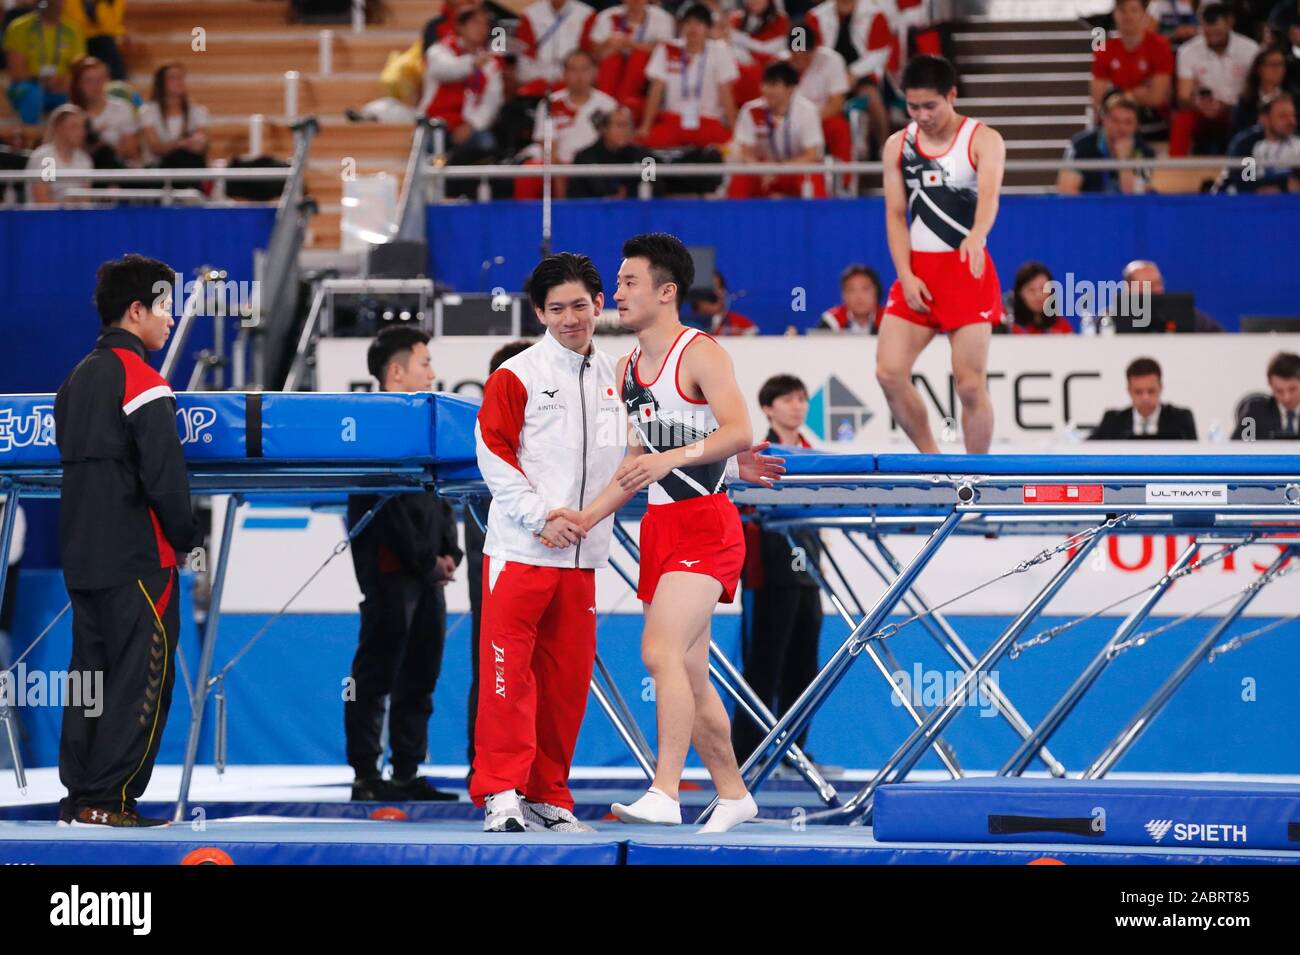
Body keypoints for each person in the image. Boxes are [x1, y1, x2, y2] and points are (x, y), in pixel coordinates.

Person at [559, 232, 783, 834]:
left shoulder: (700, 352)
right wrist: (586, 516)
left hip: (708, 528)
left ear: (666, 291)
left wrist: (681, 460)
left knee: (657, 653)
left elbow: (739, 429)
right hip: (661, 526)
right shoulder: (628, 367)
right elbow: (637, 464)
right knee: (687, 672)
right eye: (618, 282)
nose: (618, 292)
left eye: (630, 282)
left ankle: (666, 789)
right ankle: (734, 794)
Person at [469, 253, 626, 833]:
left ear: (598, 305)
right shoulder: (517, 376)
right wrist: (540, 518)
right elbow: (493, 453)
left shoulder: (620, 376)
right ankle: (502, 794)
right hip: (522, 554)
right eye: (556, 309)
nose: (569, 319)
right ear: (538, 312)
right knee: (509, 679)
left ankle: (547, 794)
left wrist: (731, 461)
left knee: (564, 684)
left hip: (583, 559)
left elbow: (665, 441)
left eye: (579, 306)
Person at [54, 254, 202, 827]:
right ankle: (109, 800)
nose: (169, 320)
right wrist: (188, 537)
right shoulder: (143, 382)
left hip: (83, 560)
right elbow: (166, 479)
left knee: (89, 678)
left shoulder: (73, 380)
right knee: (141, 680)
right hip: (140, 560)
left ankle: (78, 798)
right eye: (164, 308)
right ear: (136, 311)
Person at [345, 327, 462, 803]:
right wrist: (425, 560)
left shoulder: (427, 426)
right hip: (392, 575)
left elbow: (443, 498)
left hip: (428, 578)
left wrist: (449, 555)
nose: (433, 374)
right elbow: (384, 507)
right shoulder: (370, 428)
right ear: (396, 372)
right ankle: (366, 773)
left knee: (421, 676)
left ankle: (407, 769)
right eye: (424, 364)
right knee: (373, 678)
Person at [876, 55, 1005, 454]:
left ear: (952, 95)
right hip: (918, 272)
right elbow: (896, 215)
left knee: (969, 384)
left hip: (967, 269)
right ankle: (932, 462)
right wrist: (906, 273)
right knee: (889, 373)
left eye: (930, 105)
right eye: (913, 107)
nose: (922, 115)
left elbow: (989, 196)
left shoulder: (983, 139)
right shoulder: (899, 146)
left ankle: (976, 475)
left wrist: (977, 235)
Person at [731, 374, 823, 767]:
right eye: (787, 399)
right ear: (768, 408)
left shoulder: (816, 452)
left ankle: (793, 752)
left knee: (806, 665)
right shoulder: (755, 452)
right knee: (764, 663)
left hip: (809, 573)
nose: (797, 406)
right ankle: (746, 754)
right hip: (766, 571)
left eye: (802, 399)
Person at [463, 338, 534, 773]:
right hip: (504, 549)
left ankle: (537, 773)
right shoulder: (487, 434)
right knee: (496, 660)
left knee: (541, 669)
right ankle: (490, 770)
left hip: (556, 555)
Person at [517, 48, 618, 198]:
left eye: (585, 69)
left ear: (595, 72)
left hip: (593, 167)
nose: (579, 76)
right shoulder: (549, 104)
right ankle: (526, 219)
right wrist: (560, 176)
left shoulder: (608, 106)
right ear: (564, 74)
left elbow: (613, 145)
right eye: (573, 70)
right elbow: (547, 147)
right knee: (531, 169)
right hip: (557, 165)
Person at [637, 3, 739, 148]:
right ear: (681, 27)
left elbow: (726, 93)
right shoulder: (668, 48)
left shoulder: (720, 50)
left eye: (699, 23)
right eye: (688, 23)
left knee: (732, 149)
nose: (693, 28)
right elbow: (656, 89)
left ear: (708, 28)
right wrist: (646, 126)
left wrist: (735, 130)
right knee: (645, 147)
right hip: (674, 119)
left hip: (707, 120)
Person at [726, 60, 826, 197]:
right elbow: (745, 153)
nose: (766, 90)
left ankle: (819, 217)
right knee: (741, 177)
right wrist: (761, 169)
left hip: (793, 170)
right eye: (765, 84)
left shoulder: (807, 111)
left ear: (790, 89)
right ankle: (733, 216)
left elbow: (812, 155)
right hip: (762, 171)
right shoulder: (750, 110)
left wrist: (779, 169)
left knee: (812, 175)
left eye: (773, 85)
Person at [1171, 3, 1259, 155]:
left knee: (1247, 119)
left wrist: (1228, 106)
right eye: (1207, 33)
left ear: (1229, 23)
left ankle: (1247, 174)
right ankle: (1175, 170)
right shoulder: (1187, 51)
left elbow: (1252, 92)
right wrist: (1199, 104)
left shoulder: (1250, 50)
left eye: (1217, 33)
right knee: (1183, 119)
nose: (1211, 38)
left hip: (1236, 110)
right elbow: (1183, 97)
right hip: (1202, 110)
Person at [419, 5, 503, 163]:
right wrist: (472, 63)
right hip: (436, 123)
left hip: (468, 127)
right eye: (475, 23)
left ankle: (470, 186)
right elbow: (447, 70)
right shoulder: (439, 50)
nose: (481, 28)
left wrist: (472, 125)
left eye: (485, 24)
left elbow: (492, 102)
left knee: (486, 143)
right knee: (429, 146)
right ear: (460, 27)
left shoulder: (491, 63)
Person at [1091, 0, 1175, 132]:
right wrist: (1138, 93)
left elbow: (1157, 97)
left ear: (1144, 14)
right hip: (1114, 120)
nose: (1128, 16)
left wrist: (1118, 95)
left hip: (1151, 119)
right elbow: (1098, 99)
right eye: (1122, 10)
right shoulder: (1102, 47)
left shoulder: (1161, 45)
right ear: (1114, 14)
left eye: (1134, 10)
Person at [3, 0, 85, 125]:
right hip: (27, 85)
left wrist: (64, 81)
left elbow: (79, 68)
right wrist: (43, 81)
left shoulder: (73, 29)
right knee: (31, 92)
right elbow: (17, 72)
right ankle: (31, 133)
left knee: (83, 89)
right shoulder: (19, 27)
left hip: (60, 87)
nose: (55, 4)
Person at [1057, 93, 1156, 194]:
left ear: (1136, 126)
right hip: (1088, 207)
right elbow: (1067, 191)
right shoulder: (1081, 144)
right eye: (1115, 120)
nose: (1121, 127)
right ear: (1104, 121)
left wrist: (1124, 160)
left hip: (1124, 209)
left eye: (1128, 122)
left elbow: (1134, 197)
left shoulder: (1143, 150)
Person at [589, 0, 676, 113]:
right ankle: (605, 105)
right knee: (612, 59)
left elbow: (665, 50)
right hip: (611, 70)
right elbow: (594, 53)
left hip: (644, 76)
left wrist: (633, 45)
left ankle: (622, 104)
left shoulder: (662, 18)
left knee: (638, 57)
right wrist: (609, 44)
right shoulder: (607, 16)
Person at [784, 23, 853, 163]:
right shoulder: (780, 64)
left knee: (838, 127)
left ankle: (844, 180)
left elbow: (836, 104)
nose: (799, 62)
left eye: (803, 57)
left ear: (814, 50)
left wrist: (808, 122)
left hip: (822, 117)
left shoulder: (832, 61)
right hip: (787, 122)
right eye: (795, 57)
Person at [1087, 357, 1198, 439]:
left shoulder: (1180, 419)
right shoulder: (1113, 421)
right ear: (1129, 390)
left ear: (1161, 388)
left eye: (1151, 391)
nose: (1145, 398)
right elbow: (1089, 450)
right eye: (1138, 392)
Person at [1217, 90, 1300, 191]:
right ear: (1264, 119)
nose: (1291, 121)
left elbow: (1296, 183)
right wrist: (1283, 184)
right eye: (1283, 116)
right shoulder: (1247, 144)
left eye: (1293, 115)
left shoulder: (1297, 145)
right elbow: (1246, 182)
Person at [514, 0, 597, 98]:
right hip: (537, 80)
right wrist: (539, 82)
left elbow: (587, 57)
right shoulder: (530, 14)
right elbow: (524, 60)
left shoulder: (586, 14)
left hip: (573, 82)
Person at [569, 105, 656, 197]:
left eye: (628, 125)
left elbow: (655, 191)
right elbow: (576, 197)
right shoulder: (585, 158)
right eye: (619, 125)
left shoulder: (645, 158)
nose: (625, 131)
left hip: (636, 210)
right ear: (604, 129)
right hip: (597, 210)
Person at [69, 55, 138, 168]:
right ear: (78, 84)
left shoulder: (122, 108)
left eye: (100, 79)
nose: (95, 86)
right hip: (81, 168)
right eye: (88, 81)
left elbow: (130, 150)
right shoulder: (71, 113)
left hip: (115, 168)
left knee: (105, 154)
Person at [138, 63, 209, 167]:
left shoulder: (197, 111)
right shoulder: (148, 111)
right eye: (173, 78)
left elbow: (200, 143)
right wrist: (180, 144)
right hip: (158, 166)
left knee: (186, 158)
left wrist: (192, 143)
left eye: (181, 78)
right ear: (161, 83)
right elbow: (155, 147)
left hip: (188, 163)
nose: (179, 82)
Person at [1121, 259, 1224, 331]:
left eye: (1158, 283)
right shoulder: (1112, 319)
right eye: (1148, 285)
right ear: (1129, 288)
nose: (1156, 290)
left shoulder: (1192, 319)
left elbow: (1220, 341)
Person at [25, 102, 92, 203]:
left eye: (82, 127)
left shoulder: (84, 159)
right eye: (74, 127)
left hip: (75, 217)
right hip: (45, 218)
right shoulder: (46, 158)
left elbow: (85, 200)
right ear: (59, 128)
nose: (81, 132)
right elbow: (43, 201)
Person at [1233, 350, 1300, 439]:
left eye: (1292, 389)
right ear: (1270, 385)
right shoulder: (1255, 414)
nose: (1286, 397)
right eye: (1279, 391)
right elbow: (1236, 449)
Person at [997, 262, 1074, 335]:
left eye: (1043, 288)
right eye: (1031, 290)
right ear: (1020, 293)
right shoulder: (1007, 325)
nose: (1038, 295)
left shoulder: (1060, 325)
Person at [1232, 44, 1296, 132]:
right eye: (1273, 65)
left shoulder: (1295, 98)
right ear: (1259, 69)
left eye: (1281, 64)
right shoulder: (1246, 102)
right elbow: (1238, 134)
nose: (1279, 69)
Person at [688, 270, 758, 335]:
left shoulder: (735, 321)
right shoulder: (689, 324)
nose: (715, 293)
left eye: (718, 287)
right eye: (711, 288)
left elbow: (753, 331)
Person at [818, 263, 881, 332]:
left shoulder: (888, 320)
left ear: (876, 291)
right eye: (851, 290)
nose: (859, 296)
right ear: (843, 295)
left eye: (865, 289)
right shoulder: (831, 321)